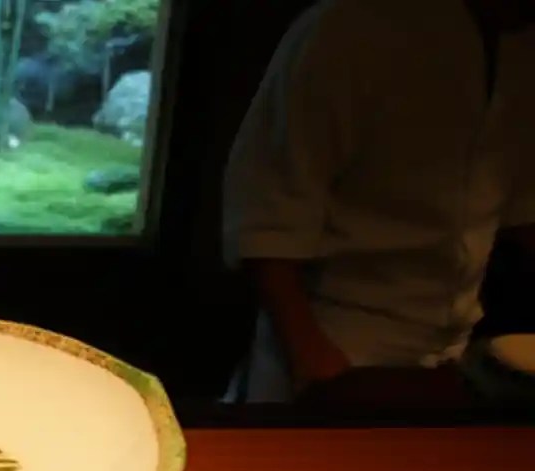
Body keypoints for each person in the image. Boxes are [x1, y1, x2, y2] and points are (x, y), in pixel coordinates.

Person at [221, 0, 535, 404]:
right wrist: (312, 358)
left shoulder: (521, 51)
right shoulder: (351, 28)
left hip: (454, 352)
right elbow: (264, 215)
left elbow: (521, 209)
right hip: (338, 341)